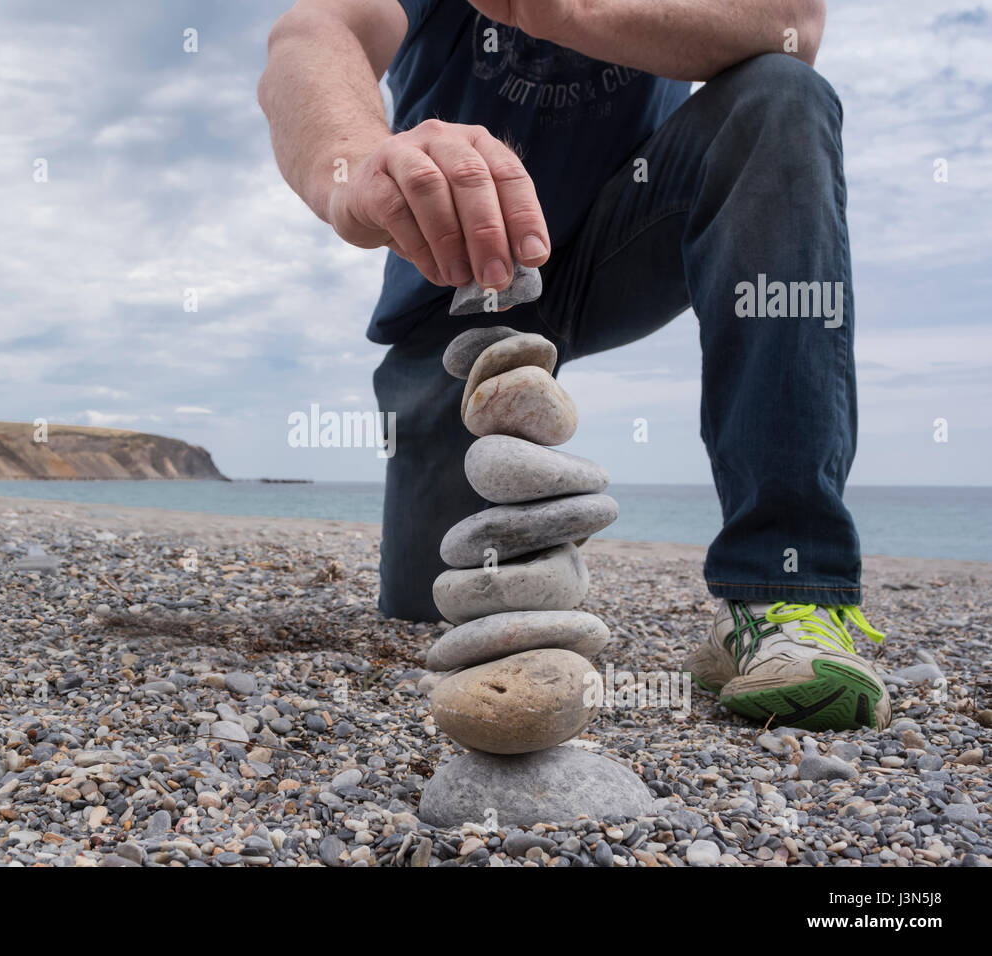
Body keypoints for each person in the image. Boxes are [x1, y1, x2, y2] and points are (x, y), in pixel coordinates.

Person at [257, 0, 890, 731]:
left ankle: (787, 593)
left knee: (782, 93)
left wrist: (560, 10)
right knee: (428, 605)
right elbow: (315, 32)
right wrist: (354, 163)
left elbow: (793, 29)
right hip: (455, 284)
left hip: (620, 239)